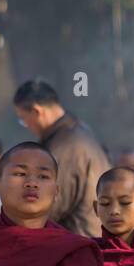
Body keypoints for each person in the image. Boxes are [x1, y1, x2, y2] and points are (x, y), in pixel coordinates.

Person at [12, 78, 111, 238]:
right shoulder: (80, 130)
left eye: (23, 119)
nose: (26, 125)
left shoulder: (65, 146)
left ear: (37, 111)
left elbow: (50, 205)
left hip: (80, 241)